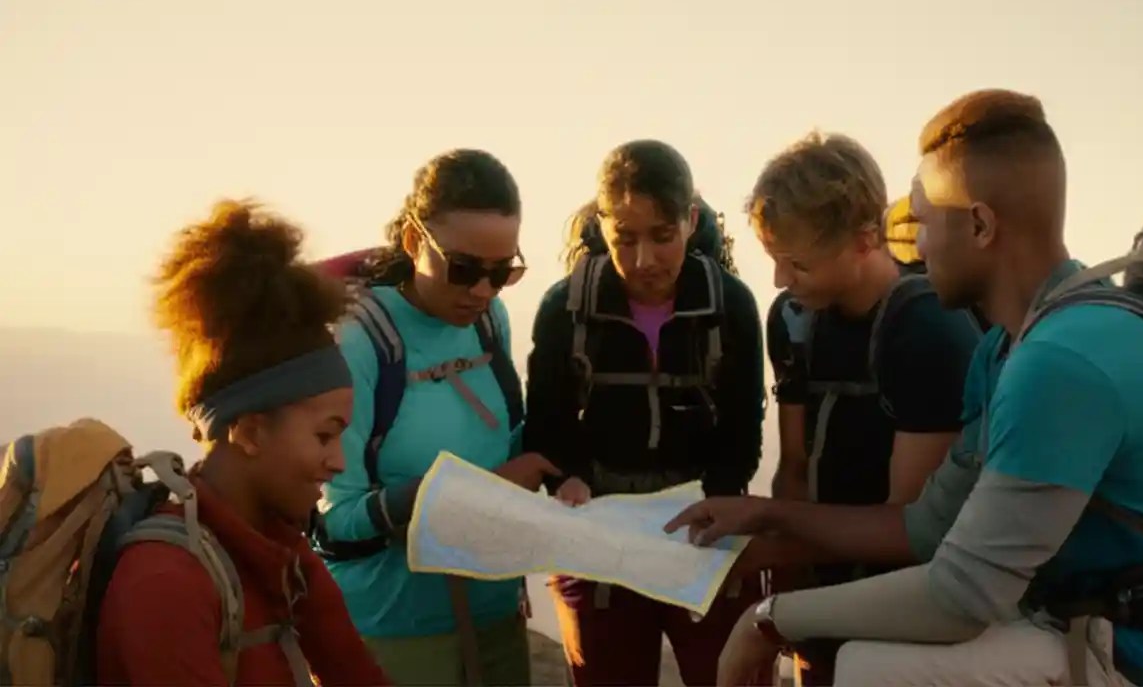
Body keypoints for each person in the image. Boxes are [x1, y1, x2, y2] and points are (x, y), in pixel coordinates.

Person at [672, 89, 1143, 686]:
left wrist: (765, 621)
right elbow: (924, 527)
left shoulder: (1061, 360)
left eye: (921, 222)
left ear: (979, 225)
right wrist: (767, 517)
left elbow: (961, 594)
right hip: (1084, 632)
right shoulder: (1008, 347)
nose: (916, 247)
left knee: (871, 669)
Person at [95, 199, 391, 686]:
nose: (339, 462)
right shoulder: (165, 582)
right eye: (324, 435)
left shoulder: (284, 557)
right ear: (250, 432)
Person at [523, 139, 767, 687]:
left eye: (662, 237)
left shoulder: (729, 305)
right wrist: (567, 480)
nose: (643, 260)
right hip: (599, 534)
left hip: (704, 526)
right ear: (601, 227)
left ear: (691, 221)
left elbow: (742, 428)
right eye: (624, 239)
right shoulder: (565, 309)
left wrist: (718, 499)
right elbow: (546, 423)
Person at [741, 133, 982, 684]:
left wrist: (768, 532)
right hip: (818, 597)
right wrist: (788, 590)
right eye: (775, 260)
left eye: (797, 263)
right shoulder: (794, 318)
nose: (781, 281)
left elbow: (908, 531)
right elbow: (796, 466)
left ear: (865, 239)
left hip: (900, 616)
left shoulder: (925, 327)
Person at [314, 149, 560, 686]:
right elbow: (337, 522)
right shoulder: (361, 340)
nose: (482, 291)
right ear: (412, 241)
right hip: (393, 631)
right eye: (464, 269)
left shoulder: (489, 320)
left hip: (495, 612)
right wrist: (466, 493)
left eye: (503, 273)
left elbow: (503, 440)